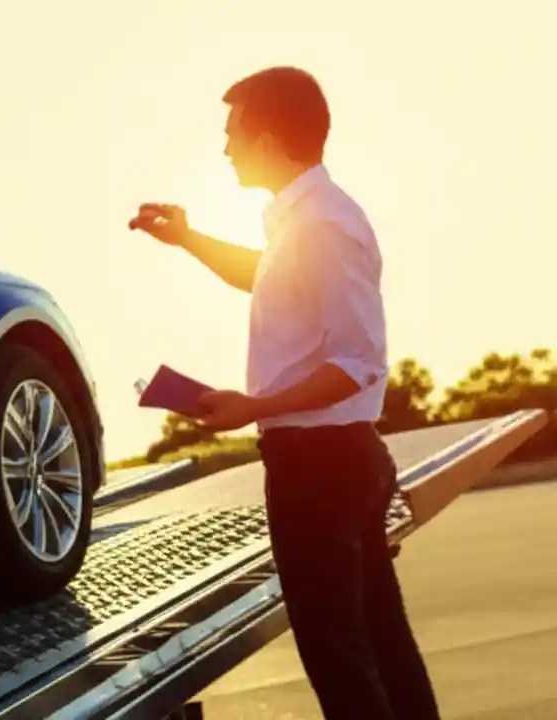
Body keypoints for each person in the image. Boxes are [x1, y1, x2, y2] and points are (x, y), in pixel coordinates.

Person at [128, 66, 441, 720]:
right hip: (336, 460)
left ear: (268, 139)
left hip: (321, 467)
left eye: (233, 133)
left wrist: (254, 407)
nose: (225, 148)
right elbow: (267, 274)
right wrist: (187, 238)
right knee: (379, 641)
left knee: (339, 655)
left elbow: (357, 362)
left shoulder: (323, 223)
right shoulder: (302, 221)